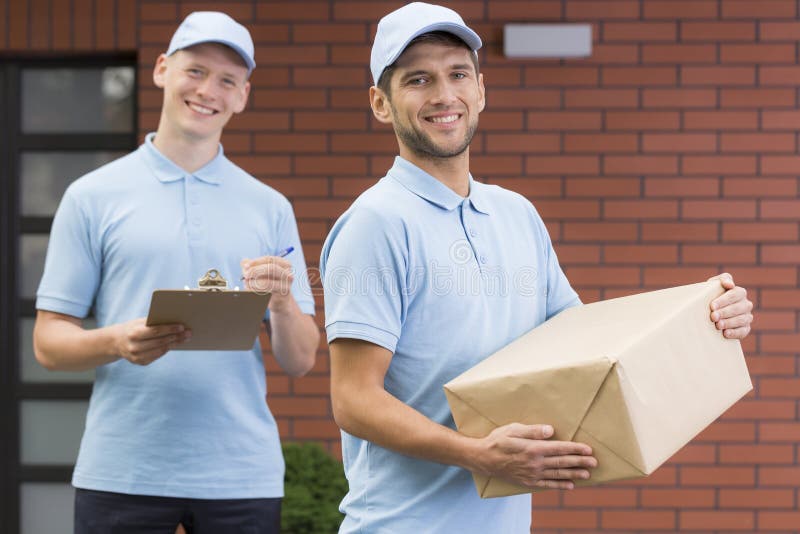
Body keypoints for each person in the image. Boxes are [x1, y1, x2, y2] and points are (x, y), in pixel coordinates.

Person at [319, 3, 754, 532]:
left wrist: (706, 316)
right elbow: (353, 399)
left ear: (481, 89)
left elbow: (583, 347)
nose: (443, 95)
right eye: (418, 80)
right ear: (381, 104)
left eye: (458, 74)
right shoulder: (376, 223)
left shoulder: (516, 214)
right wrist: (477, 452)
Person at [33, 11, 319, 534]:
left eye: (227, 80)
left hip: (242, 474)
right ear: (163, 69)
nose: (209, 90)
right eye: (196, 71)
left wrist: (281, 303)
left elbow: (300, 360)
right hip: (122, 471)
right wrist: (118, 340)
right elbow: (48, 344)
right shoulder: (92, 196)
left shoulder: (269, 206)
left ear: (243, 96)